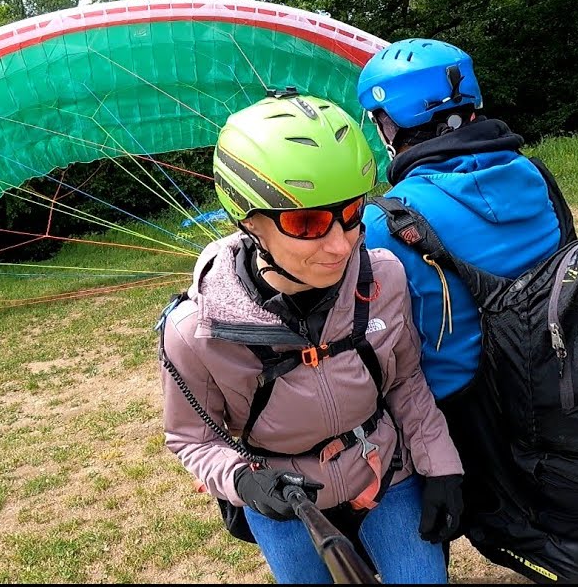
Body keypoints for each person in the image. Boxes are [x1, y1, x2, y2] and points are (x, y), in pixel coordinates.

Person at [158, 91, 464, 584]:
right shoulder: (195, 331)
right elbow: (191, 438)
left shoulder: (383, 278)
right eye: (307, 223)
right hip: (286, 499)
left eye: (352, 212)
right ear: (249, 221)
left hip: (382, 472)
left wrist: (442, 466)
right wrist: (242, 481)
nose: (340, 245)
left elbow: (406, 382)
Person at [356, 39, 574, 536]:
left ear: (389, 123)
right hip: (549, 376)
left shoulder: (386, 223)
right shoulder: (536, 177)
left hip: (463, 414)